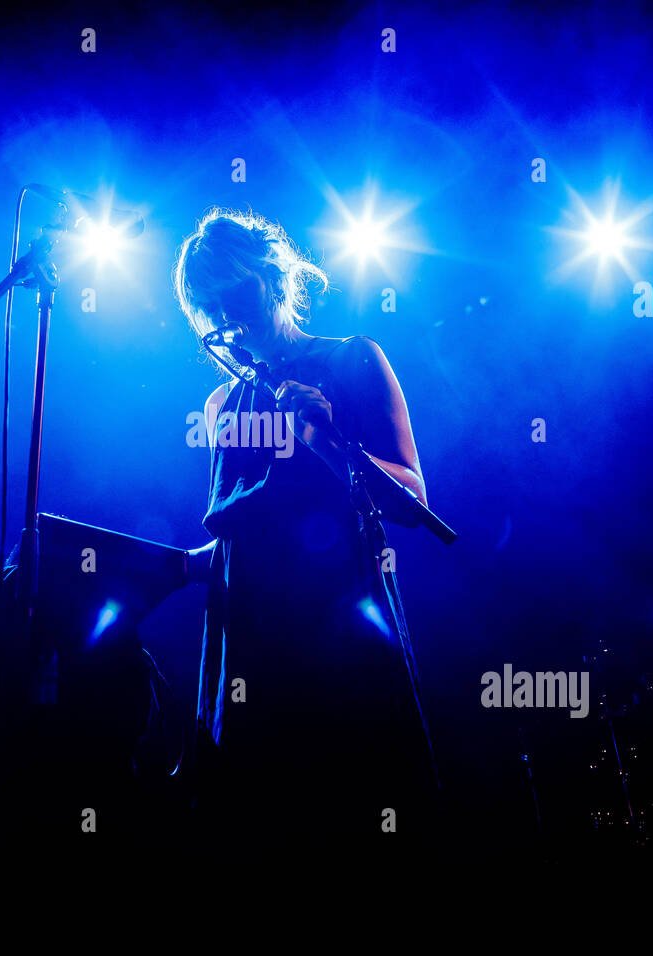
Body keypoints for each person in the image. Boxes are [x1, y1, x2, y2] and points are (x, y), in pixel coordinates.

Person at [172, 209, 438, 847]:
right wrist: (165, 566)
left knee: (352, 808)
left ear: (272, 277)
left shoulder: (352, 361)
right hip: (247, 641)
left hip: (337, 627)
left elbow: (411, 500)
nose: (228, 316)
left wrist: (324, 438)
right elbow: (246, 535)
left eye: (235, 292)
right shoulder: (220, 406)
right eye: (211, 307)